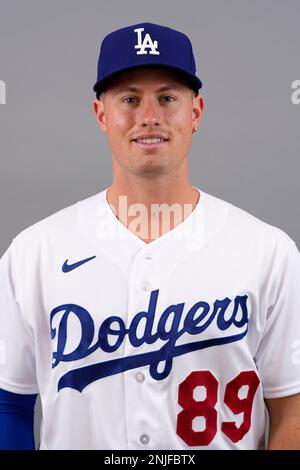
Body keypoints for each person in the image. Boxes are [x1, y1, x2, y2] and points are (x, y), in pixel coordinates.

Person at [0, 21, 300, 451]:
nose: (149, 117)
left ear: (195, 112)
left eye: (167, 98)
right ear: (101, 115)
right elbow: (7, 405)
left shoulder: (269, 252)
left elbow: (292, 408)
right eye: (129, 99)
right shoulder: (33, 252)